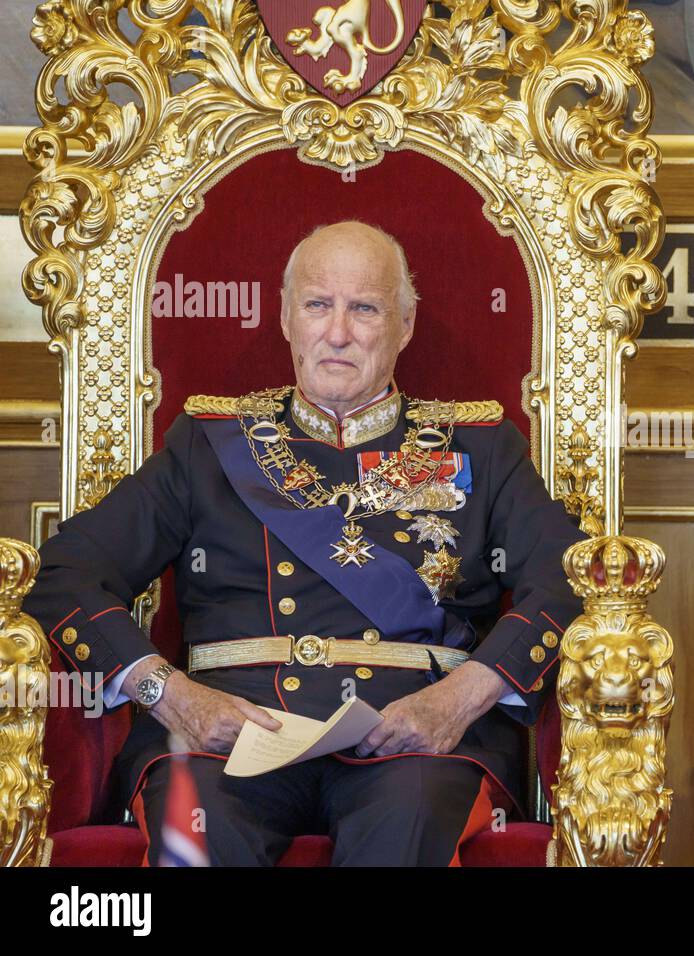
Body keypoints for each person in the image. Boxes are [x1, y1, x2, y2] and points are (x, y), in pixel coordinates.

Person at [25, 220, 585, 865]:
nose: (338, 332)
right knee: (202, 838)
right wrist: (173, 696)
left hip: (411, 738)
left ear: (404, 326)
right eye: (318, 305)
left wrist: (462, 697)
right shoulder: (208, 443)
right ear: (287, 318)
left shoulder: (480, 447)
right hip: (230, 736)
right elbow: (65, 574)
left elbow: (571, 578)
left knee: (402, 835)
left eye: (365, 309)